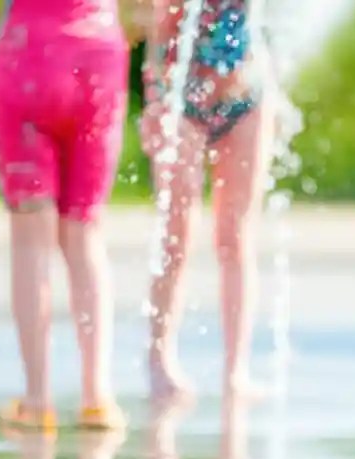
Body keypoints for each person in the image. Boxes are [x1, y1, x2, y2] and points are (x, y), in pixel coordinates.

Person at [0, 0, 134, 431]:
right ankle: (96, 396)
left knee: (31, 238)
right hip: (98, 56)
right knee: (84, 232)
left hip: (27, 53)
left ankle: (37, 399)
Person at [140, 0, 275, 402]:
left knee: (235, 236)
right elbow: (155, 24)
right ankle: (159, 356)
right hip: (178, 95)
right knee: (175, 233)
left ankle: (236, 369)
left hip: (246, 93)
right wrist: (153, 101)